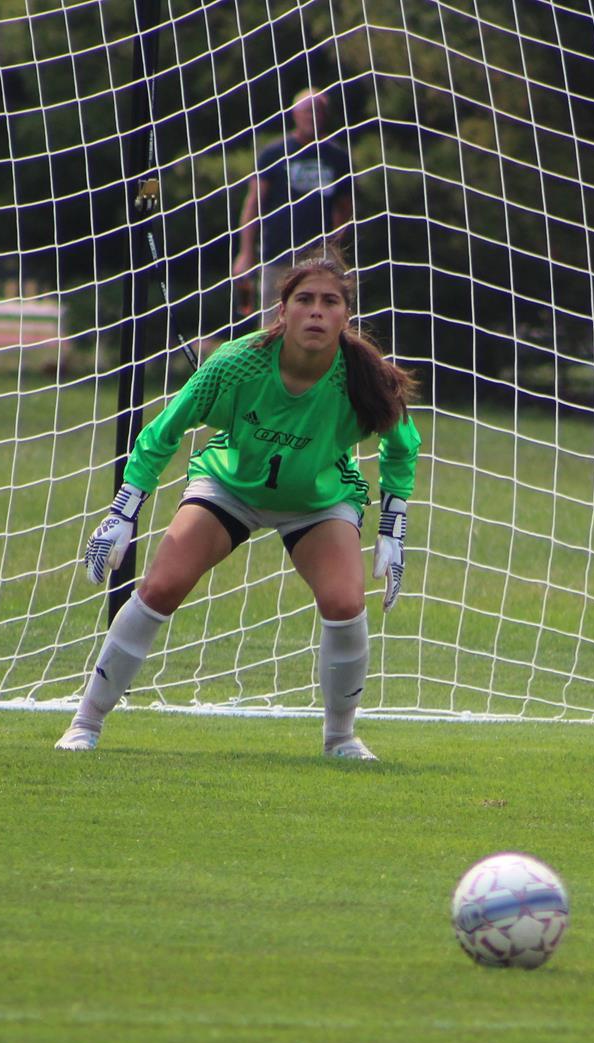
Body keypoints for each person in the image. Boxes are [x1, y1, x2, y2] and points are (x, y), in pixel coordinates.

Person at [56, 253, 418, 760]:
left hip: (318, 501)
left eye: (330, 301)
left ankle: (341, 738)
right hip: (229, 486)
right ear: (283, 311)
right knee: (160, 587)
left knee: (344, 603)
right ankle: (85, 722)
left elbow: (402, 447)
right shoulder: (237, 361)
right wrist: (123, 511)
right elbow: (164, 431)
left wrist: (392, 529)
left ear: (346, 316)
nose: (317, 310)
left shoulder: (366, 378)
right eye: (305, 299)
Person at [233, 89, 353, 322]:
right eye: (307, 111)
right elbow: (253, 203)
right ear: (295, 114)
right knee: (272, 323)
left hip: (319, 256)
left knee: (322, 318)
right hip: (277, 254)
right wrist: (245, 252)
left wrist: (336, 247)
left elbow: (345, 207)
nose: (313, 116)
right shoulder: (274, 154)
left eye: (318, 111)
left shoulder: (337, 157)